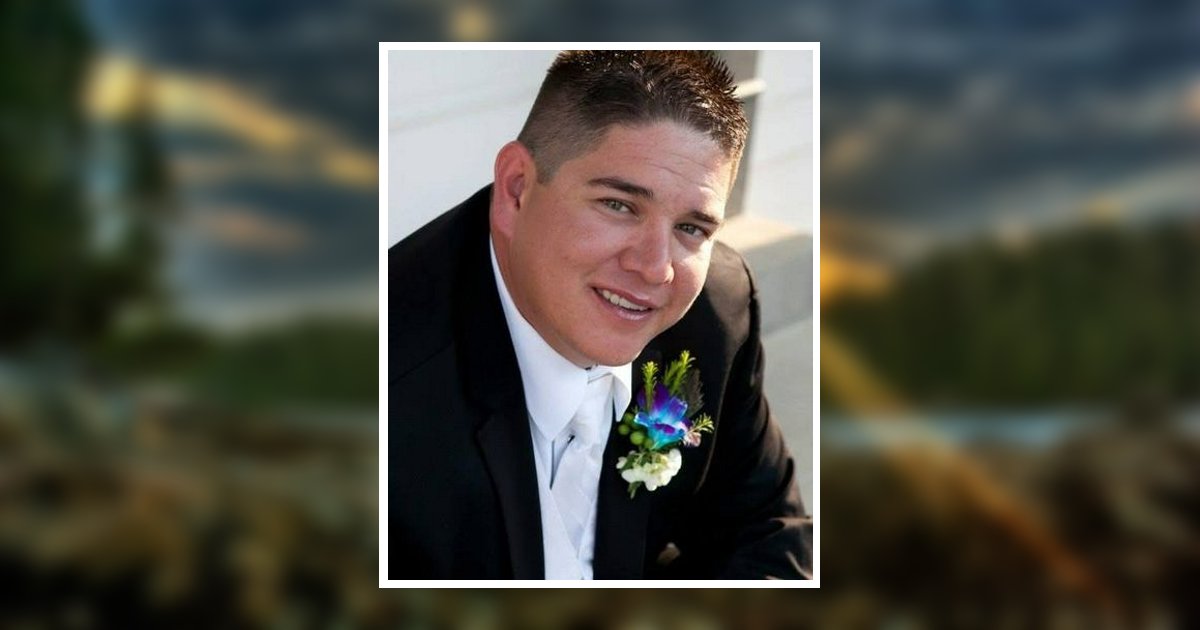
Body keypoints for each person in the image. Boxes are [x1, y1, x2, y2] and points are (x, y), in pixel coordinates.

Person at [388, 50, 810, 579]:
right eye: (619, 205)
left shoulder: (716, 312)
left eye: (691, 228)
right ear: (516, 189)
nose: (655, 268)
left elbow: (766, 531)